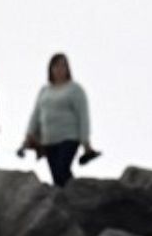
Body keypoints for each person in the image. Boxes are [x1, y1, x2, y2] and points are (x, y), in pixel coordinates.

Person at [20, 53, 98, 186]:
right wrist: (29, 134)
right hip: (49, 140)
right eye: (56, 66)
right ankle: (64, 200)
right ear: (50, 69)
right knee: (56, 175)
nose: (60, 69)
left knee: (63, 169)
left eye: (63, 66)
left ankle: (77, 194)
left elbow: (83, 116)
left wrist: (85, 141)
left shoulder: (75, 89)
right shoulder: (45, 91)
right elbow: (36, 114)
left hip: (69, 137)